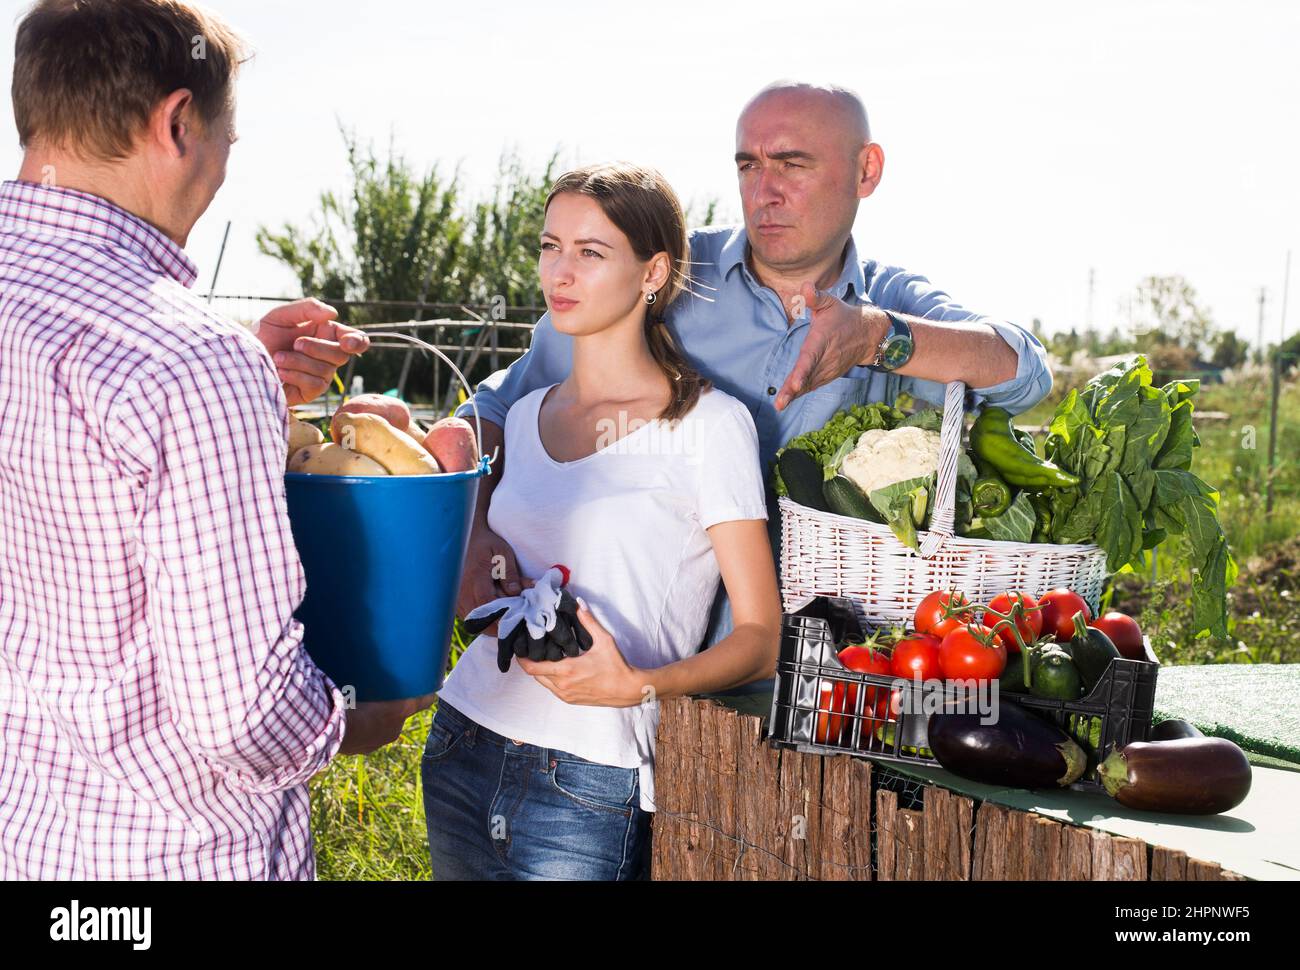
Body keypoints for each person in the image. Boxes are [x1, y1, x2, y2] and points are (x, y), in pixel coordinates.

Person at [0, 0, 422, 880]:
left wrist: (244, 389)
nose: (226, 162)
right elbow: (239, 712)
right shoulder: (187, 360)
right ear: (177, 121)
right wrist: (366, 715)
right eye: (229, 137)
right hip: (172, 858)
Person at [455, 80, 1054, 669]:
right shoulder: (662, 276)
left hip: (810, 675)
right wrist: (473, 531)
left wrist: (875, 338)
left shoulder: (891, 302)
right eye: (748, 165)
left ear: (865, 172)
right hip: (616, 662)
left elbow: (1023, 373)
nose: (764, 191)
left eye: (793, 164)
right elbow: (491, 416)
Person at [422, 163, 782, 880]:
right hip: (464, 736)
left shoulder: (713, 427)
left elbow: (762, 640)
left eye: (591, 252)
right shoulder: (523, 419)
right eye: (551, 246)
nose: (562, 271)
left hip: (586, 781)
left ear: (654, 273)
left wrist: (637, 685)